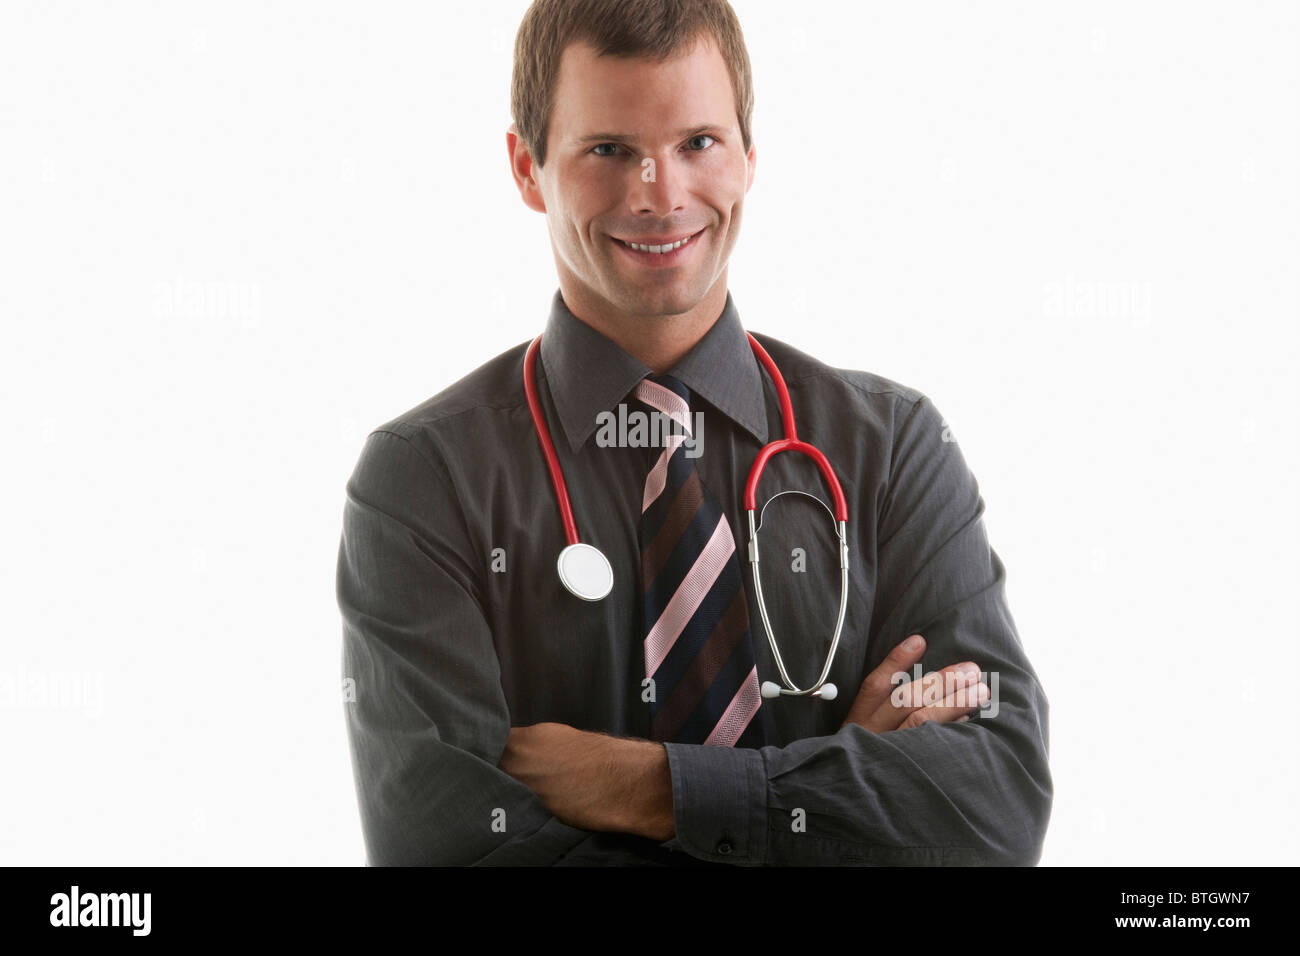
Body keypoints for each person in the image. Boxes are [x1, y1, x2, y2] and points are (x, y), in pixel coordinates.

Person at [336, 0, 1052, 866]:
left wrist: (652, 788)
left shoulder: (893, 450)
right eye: (610, 150)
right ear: (528, 169)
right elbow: (445, 853)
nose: (662, 195)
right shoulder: (427, 482)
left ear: (750, 157)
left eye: (698, 143)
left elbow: (993, 813)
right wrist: (834, 788)